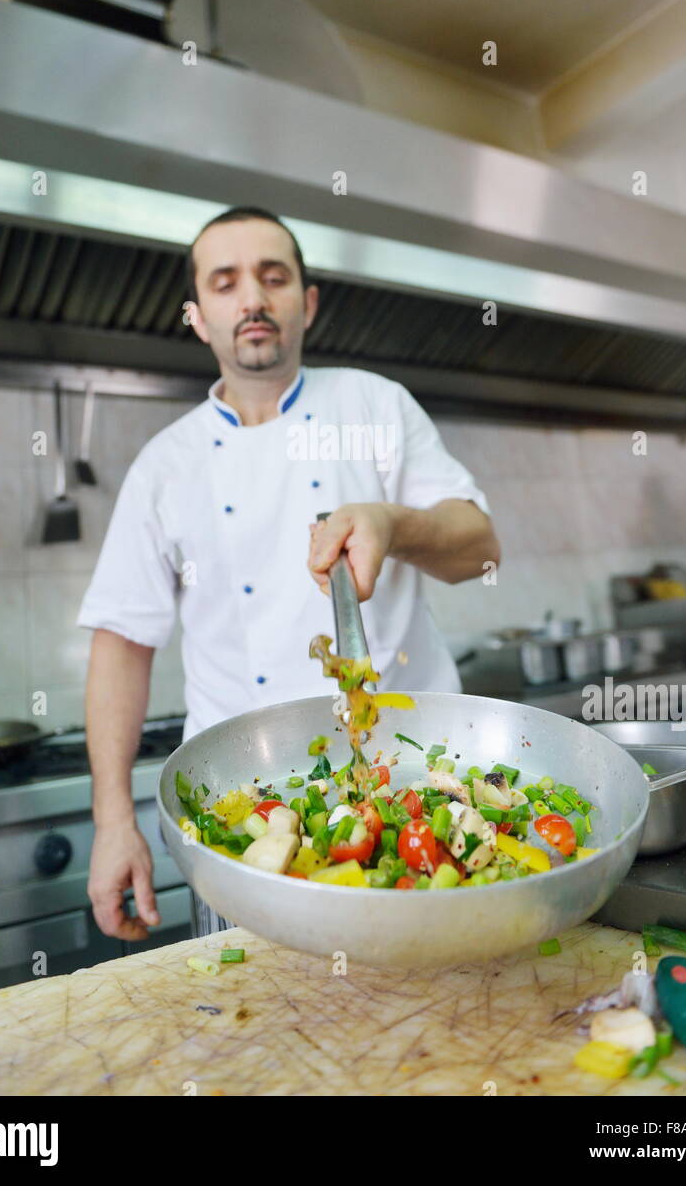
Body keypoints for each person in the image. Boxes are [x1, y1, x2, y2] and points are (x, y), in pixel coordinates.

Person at [79, 206, 500, 940]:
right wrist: (113, 819)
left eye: (274, 278)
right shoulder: (163, 467)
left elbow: (479, 548)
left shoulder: (375, 405)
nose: (252, 299)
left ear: (305, 303)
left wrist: (394, 524)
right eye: (225, 282)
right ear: (198, 315)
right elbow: (121, 642)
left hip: (412, 790)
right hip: (245, 810)